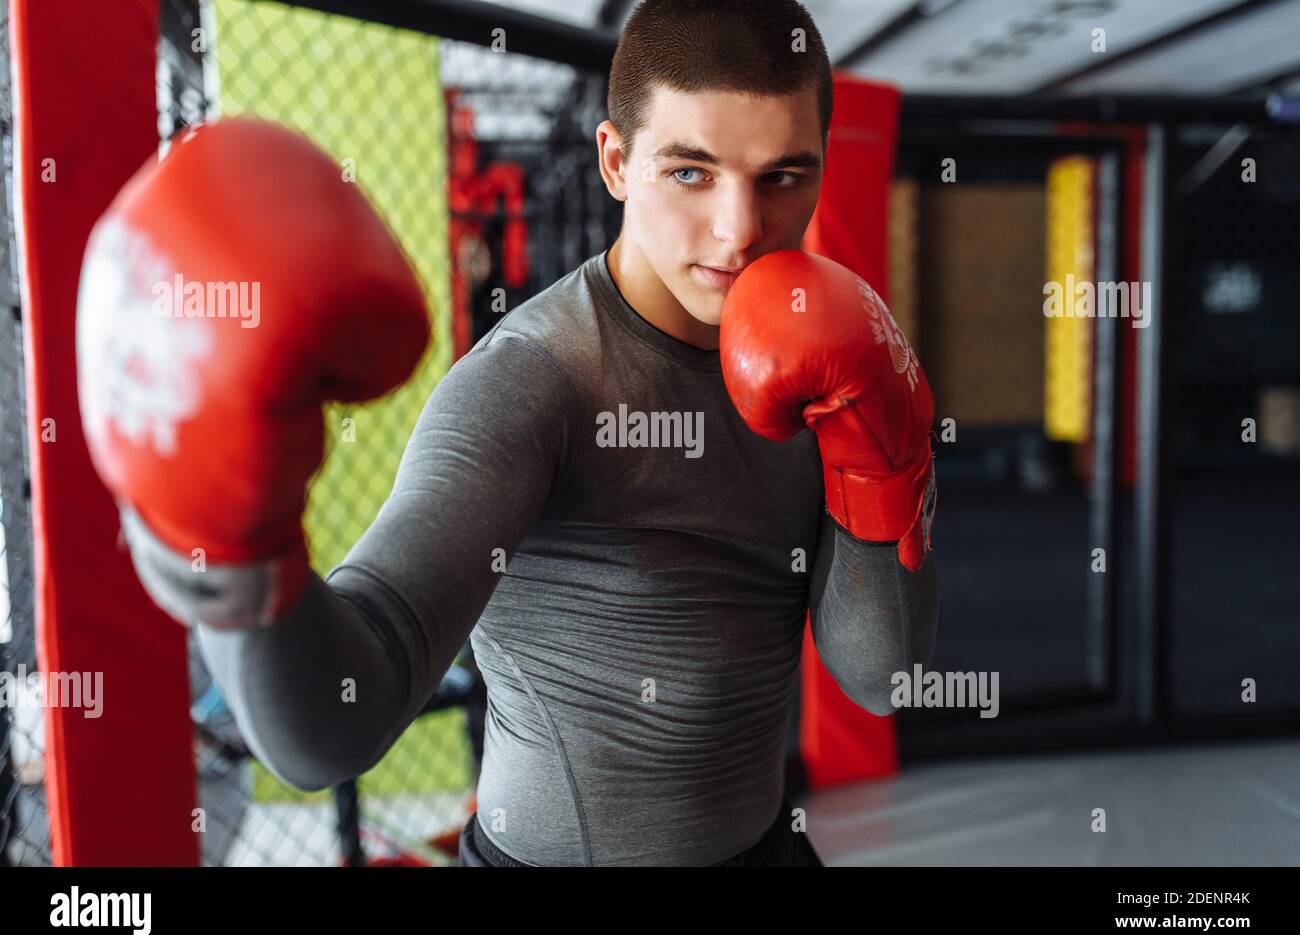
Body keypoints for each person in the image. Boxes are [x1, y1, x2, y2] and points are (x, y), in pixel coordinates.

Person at [77, 0, 940, 867]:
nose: (740, 228)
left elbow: (882, 676)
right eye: (691, 172)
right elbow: (335, 725)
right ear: (615, 161)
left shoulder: (835, 354)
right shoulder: (535, 381)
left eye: (783, 176)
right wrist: (227, 550)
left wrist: (886, 464)